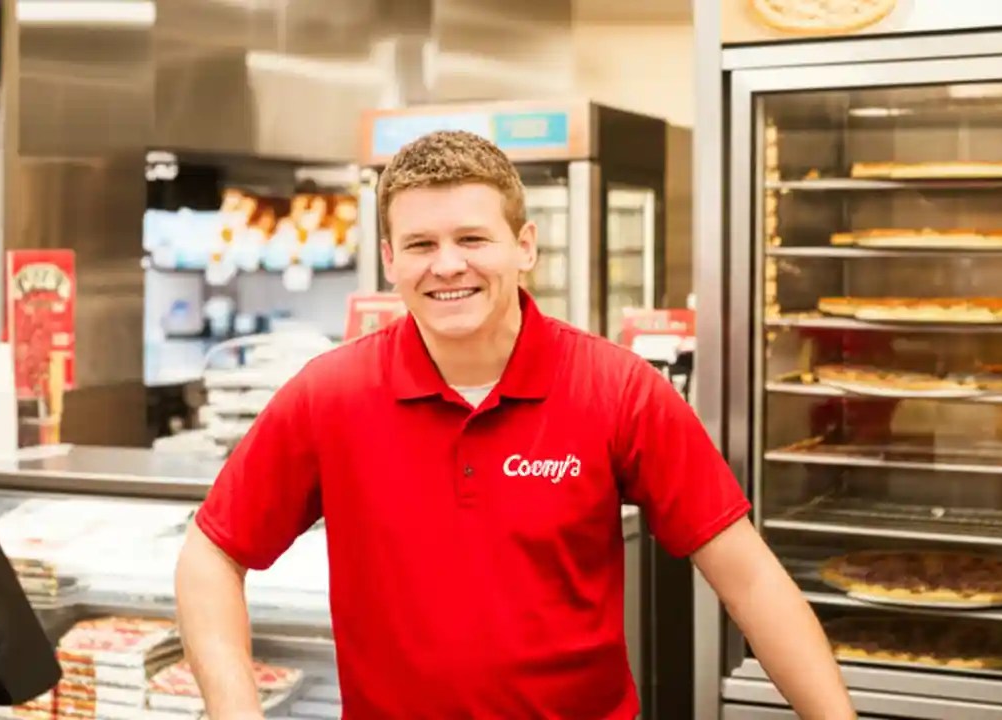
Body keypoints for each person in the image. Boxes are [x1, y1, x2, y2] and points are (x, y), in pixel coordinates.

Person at [174, 130, 855, 719]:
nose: (447, 265)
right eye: (420, 243)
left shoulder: (617, 390)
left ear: (525, 245)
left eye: (472, 238)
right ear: (389, 259)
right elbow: (211, 553)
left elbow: (750, 580)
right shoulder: (331, 394)